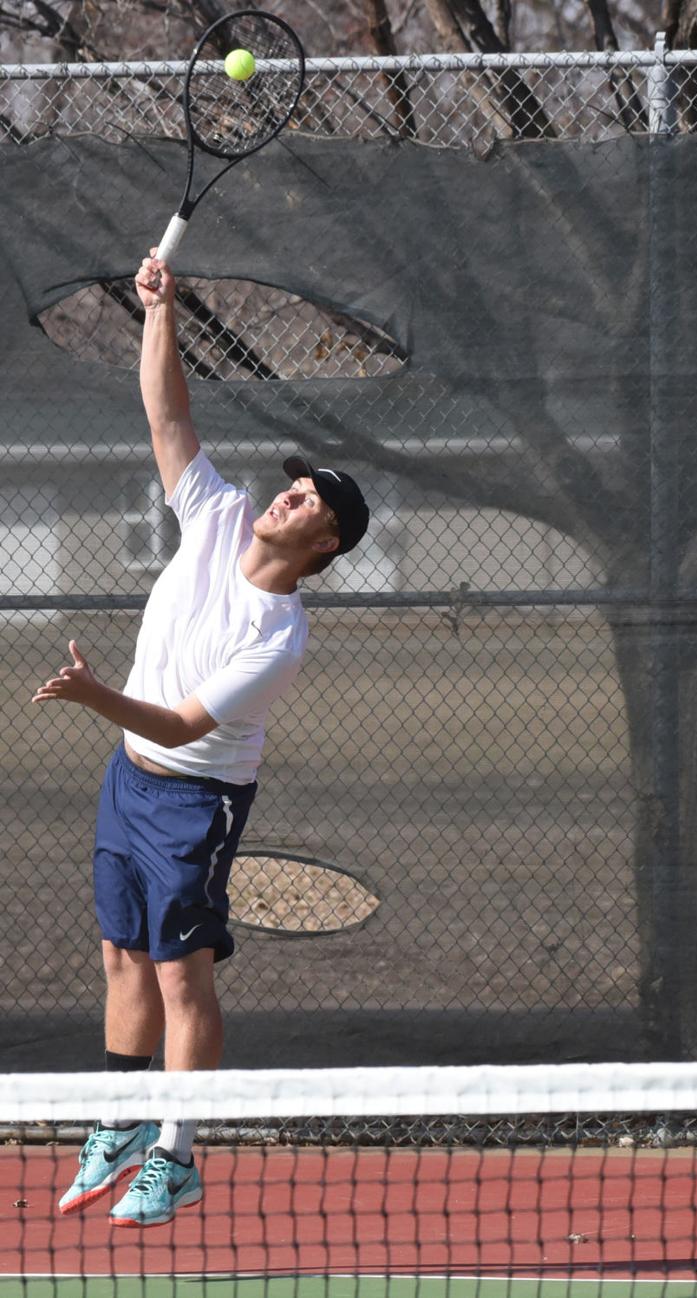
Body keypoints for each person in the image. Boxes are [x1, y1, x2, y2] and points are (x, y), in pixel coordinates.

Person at [35, 252, 369, 1229]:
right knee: (120, 958)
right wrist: (158, 311)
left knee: (184, 972)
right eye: (294, 486)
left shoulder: (278, 634)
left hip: (193, 796)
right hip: (126, 782)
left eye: (309, 501)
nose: (288, 496)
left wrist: (98, 693)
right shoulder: (218, 512)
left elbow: (182, 723)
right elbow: (168, 417)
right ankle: (119, 1118)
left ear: (325, 545)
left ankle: (176, 1152)